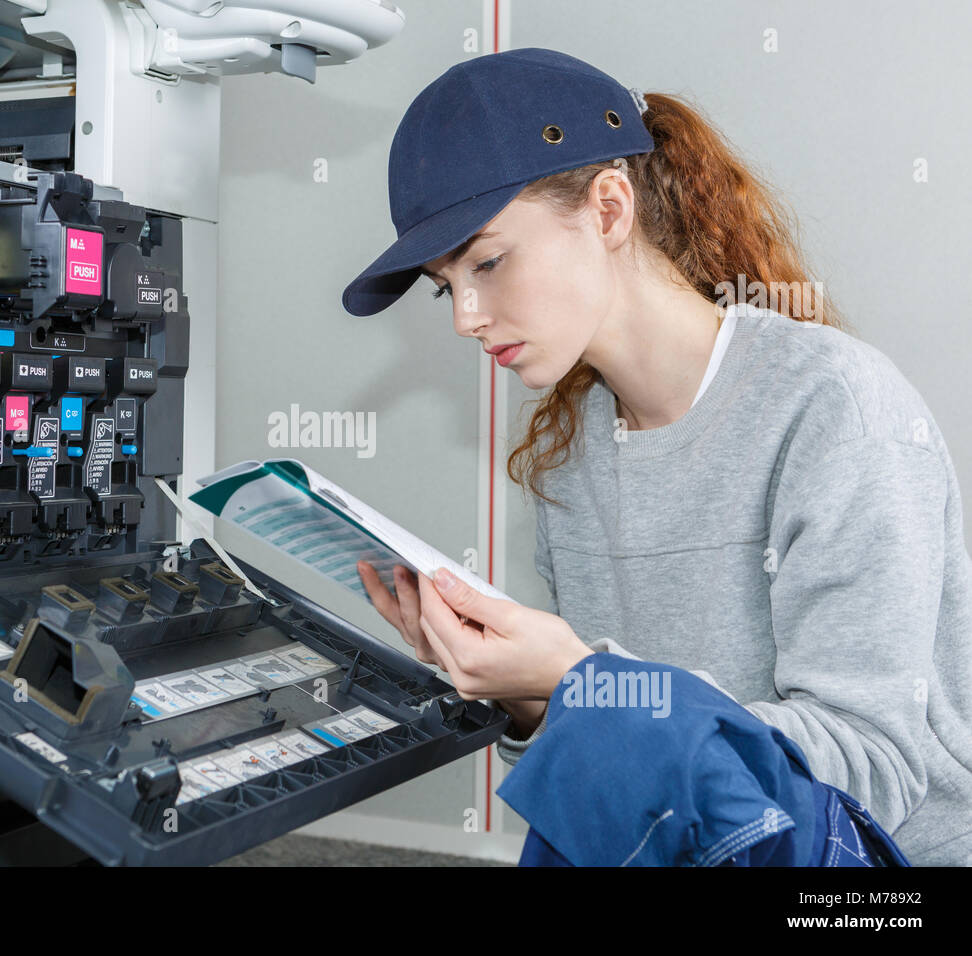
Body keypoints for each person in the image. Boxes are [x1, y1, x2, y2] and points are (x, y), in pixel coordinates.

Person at [342, 48, 972, 866]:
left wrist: (589, 685)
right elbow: (613, 771)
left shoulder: (836, 408)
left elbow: (869, 771)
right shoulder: (569, 459)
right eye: (445, 284)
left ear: (608, 210)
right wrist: (529, 694)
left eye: (489, 262)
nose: (466, 315)